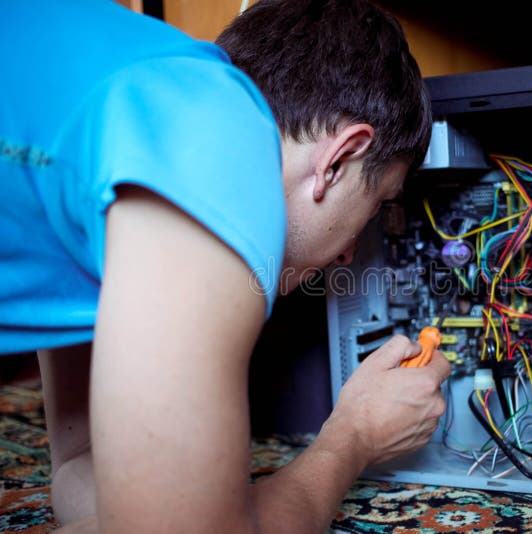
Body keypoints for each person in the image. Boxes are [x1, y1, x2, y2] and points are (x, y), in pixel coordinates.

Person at [0, 0, 451, 532]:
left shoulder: (145, 118)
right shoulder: (219, 144)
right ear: (339, 158)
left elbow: (79, 477)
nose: (351, 253)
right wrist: (351, 438)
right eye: (377, 204)